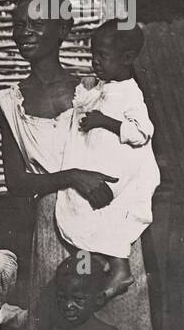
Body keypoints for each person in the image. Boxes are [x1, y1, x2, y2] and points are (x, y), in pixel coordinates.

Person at [0, 0, 168, 330]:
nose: (25, 34)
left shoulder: (96, 88)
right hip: (54, 225)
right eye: (18, 24)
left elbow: (136, 153)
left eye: (36, 25)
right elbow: (18, 181)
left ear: (62, 32)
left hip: (107, 222)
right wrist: (70, 175)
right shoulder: (9, 98)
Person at [56, 21, 159, 302]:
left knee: (113, 215)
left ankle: (119, 270)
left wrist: (104, 121)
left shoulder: (130, 93)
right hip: (106, 165)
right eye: (93, 55)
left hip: (126, 172)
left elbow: (141, 132)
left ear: (126, 59)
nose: (95, 61)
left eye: (102, 55)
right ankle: (101, 262)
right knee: (90, 210)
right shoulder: (106, 87)